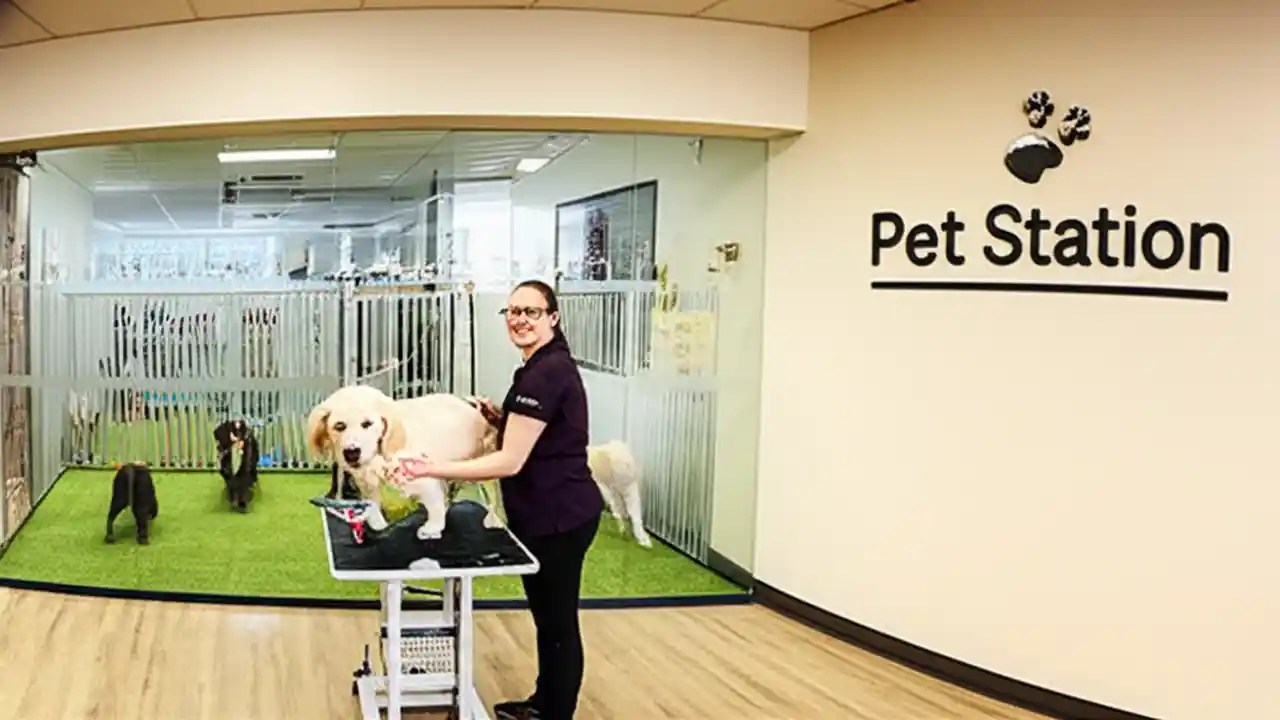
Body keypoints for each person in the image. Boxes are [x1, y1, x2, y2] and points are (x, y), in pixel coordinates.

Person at [394, 279, 604, 720]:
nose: (519, 320)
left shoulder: (546, 373)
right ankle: (542, 703)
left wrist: (432, 468)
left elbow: (508, 461)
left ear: (553, 317)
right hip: (545, 512)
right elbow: (535, 429)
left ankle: (554, 713)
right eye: (512, 311)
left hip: (559, 517)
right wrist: (499, 416)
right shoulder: (540, 366)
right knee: (549, 622)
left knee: (558, 625)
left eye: (530, 311)